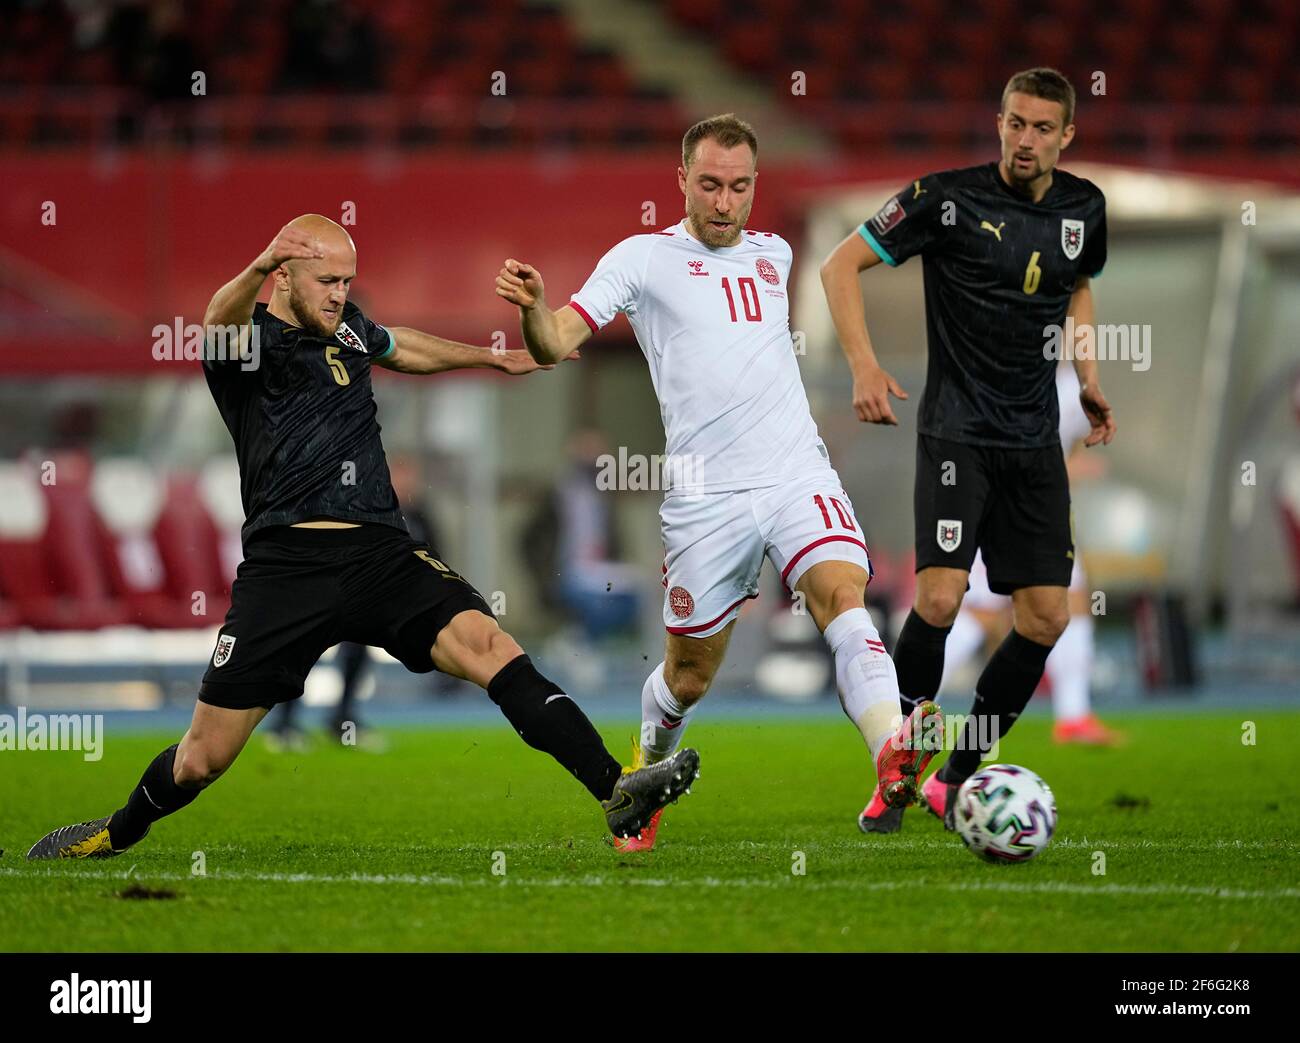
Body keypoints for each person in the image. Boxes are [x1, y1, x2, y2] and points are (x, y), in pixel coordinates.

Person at [27, 215, 698, 861]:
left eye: (347, 280)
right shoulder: (248, 342)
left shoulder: (347, 329)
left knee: (490, 644)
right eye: (327, 281)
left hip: (380, 552)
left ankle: (615, 791)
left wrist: (497, 359)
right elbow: (215, 322)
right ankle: (115, 831)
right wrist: (256, 263)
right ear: (284, 276)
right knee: (202, 758)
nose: (340, 293)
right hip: (286, 568)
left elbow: (403, 344)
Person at [497, 115, 940, 852]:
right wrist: (534, 312)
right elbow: (554, 345)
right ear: (681, 181)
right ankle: (643, 780)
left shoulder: (774, 252)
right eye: (709, 184)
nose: (724, 201)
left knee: (843, 596)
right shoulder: (641, 259)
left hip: (797, 470)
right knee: (689, 676)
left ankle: (889, 747)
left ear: (754, 186)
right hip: (707, 499)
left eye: (738, 186)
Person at [820, 68, 1116, 833]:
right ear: (999, 122)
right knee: (942, 601)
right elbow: (838, 264)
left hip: (1034, 442)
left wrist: (1086, 377)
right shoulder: (945, 198)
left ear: (1066, 136)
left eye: (1042, 128)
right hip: (957, 431)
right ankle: (911, 747)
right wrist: (862, 364)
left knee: (1047, 616)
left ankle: (958, 773)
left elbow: (1078, 285)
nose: (1025, 139)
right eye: (1015, 123)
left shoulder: (1086, 208)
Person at [939, 365, 1123, 746]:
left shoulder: (1073, 387)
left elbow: (1065, 445)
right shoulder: (997, 375)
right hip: (994, 501)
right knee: (979, 612)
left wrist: (1070, 465)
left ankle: (1073, 715)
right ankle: (907, 707)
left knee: (1071, 601)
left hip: (1044, 510)